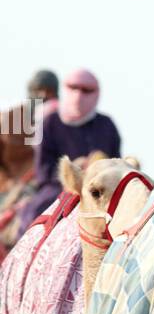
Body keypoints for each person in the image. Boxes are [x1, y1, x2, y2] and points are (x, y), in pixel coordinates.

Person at [17, 69, 122, 231]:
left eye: (86, 90)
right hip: (58, 188)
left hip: (102, 192)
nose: (79, 95)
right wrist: (73, 173)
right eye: (74, 88)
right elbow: (44, 170)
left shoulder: (106, 125)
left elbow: (117, 164)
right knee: (32, 219)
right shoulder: (50, 121)